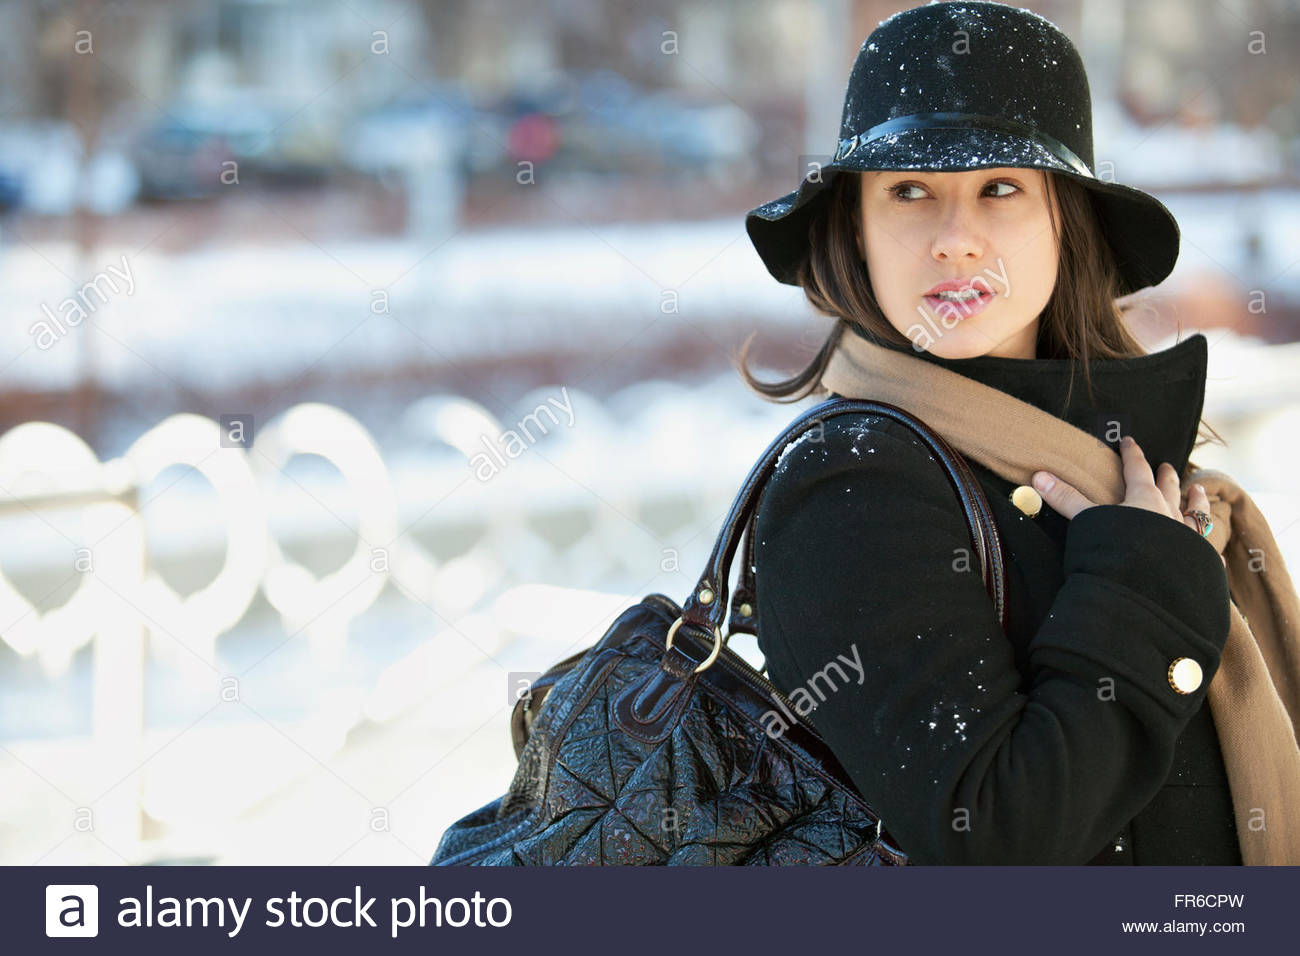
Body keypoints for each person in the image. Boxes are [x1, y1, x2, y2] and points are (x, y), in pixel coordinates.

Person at [737, 1, 1247, 865]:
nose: (956, 241)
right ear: (857, 230)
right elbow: (999, 842)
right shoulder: (851, 480)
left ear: (1065, 219)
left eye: (1000, 187)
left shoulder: (1139, 460)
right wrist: (1152, 583)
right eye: (909, 192)